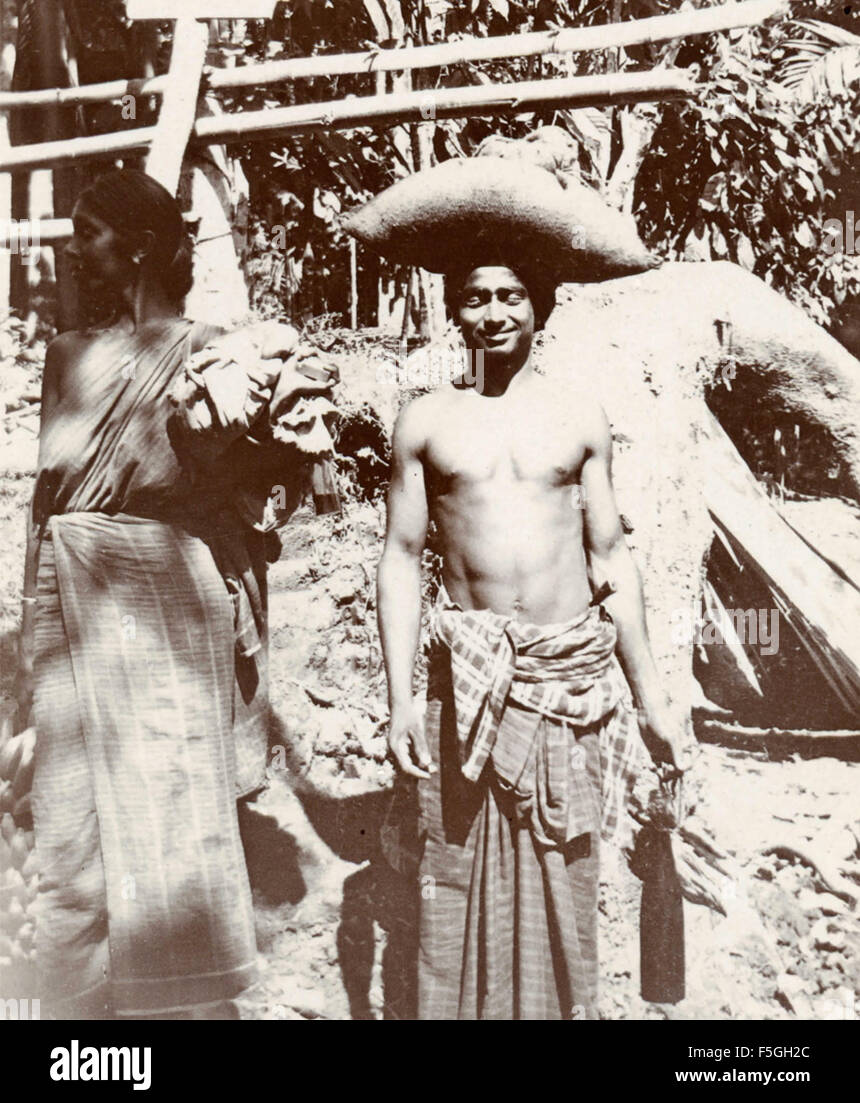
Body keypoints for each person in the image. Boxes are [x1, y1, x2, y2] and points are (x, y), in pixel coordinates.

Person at [22, 168, 335, 1019]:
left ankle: (179, 1010)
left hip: (165, 596)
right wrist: (28, 643)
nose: (74, 249)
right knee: (71, 815)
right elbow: (46, 509)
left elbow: (269, 492)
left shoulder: (215, 358)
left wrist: (272, 428)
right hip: (72, 595)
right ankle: (79, 1019)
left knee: (171, 813)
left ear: (142, 246)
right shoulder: (66, 357)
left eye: (88, 232)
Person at [377, 253, 694, 1021]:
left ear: (538, 305)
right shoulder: (426, 420)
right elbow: (400, 555)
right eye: (476, 297)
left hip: (566, 684)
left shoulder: (579, 417)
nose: (493, 313)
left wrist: (653, 699)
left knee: (565, 878)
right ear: (456, 311)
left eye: (510, 295)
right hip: (471, 687)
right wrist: (400, 703)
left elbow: (611, 556)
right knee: (455, 877)